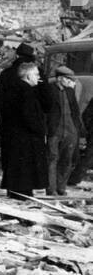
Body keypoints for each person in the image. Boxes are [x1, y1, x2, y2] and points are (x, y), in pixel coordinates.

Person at [1, 61, 51, 199]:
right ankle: (22, 198)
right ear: (28, 76)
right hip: (27, 139)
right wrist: (41, 131)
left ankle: (18, 195)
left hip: (16, 137)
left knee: (19, 174)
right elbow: (30, 116)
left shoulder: (15, 89)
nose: (38, 78)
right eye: (36, 74)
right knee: (25, 174)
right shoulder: (26, 92)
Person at [0, 41, 38, 178]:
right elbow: (45, 98)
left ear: (17, 56)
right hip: (29, 120)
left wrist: (3, 113)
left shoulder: (6, 74)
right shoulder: (35, 74)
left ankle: (9, 179)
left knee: (8, 150)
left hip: (9, 120)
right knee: (27, 153)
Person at [46, 65, 82, 196]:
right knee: (52, 158)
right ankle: (51, 188)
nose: (71, 81)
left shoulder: (70, 91)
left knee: (67, 159)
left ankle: (61, 187)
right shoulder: (49, 90)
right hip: (55, 129)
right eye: (68, 78)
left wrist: (78, 129)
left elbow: (75, 111)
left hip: (70, 129)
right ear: (60, 78)